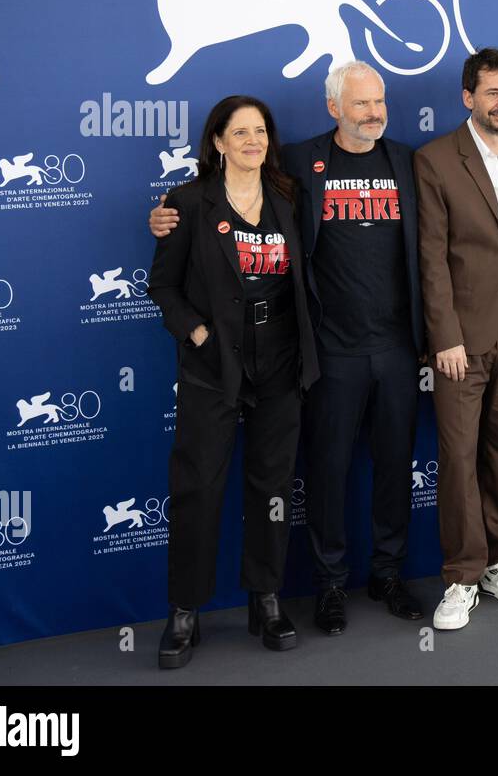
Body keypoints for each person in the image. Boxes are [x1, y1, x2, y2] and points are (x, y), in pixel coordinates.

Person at [151, 61, 426, 634]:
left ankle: (342, 584)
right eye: (360, 104)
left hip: (347, 353)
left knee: (349, 474)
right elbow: (173, 269)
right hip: (285, 356)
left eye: (379, 102)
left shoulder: (392, 165)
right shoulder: (283, 172)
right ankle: (223, 604)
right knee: (249, 482)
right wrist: (163, 223)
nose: (372, 113)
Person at [148, 96, 319, 669]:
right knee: (198, 487)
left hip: (281, 361)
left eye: (261, 131)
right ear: (217, 142)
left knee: (272, 487)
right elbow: (163, 287)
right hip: (212, 365)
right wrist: (197, 334)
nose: (253, 140)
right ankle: (185, 611)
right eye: (240, 132)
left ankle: (265, 598)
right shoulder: (188, 204)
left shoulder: (289, 198)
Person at [415, 48, 498, 630]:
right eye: (492, 93)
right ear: (468, 97)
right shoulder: (436, 159)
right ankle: (461, 575)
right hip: (461, 341)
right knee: (458, 457)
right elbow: (432, 258)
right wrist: (443, 335)